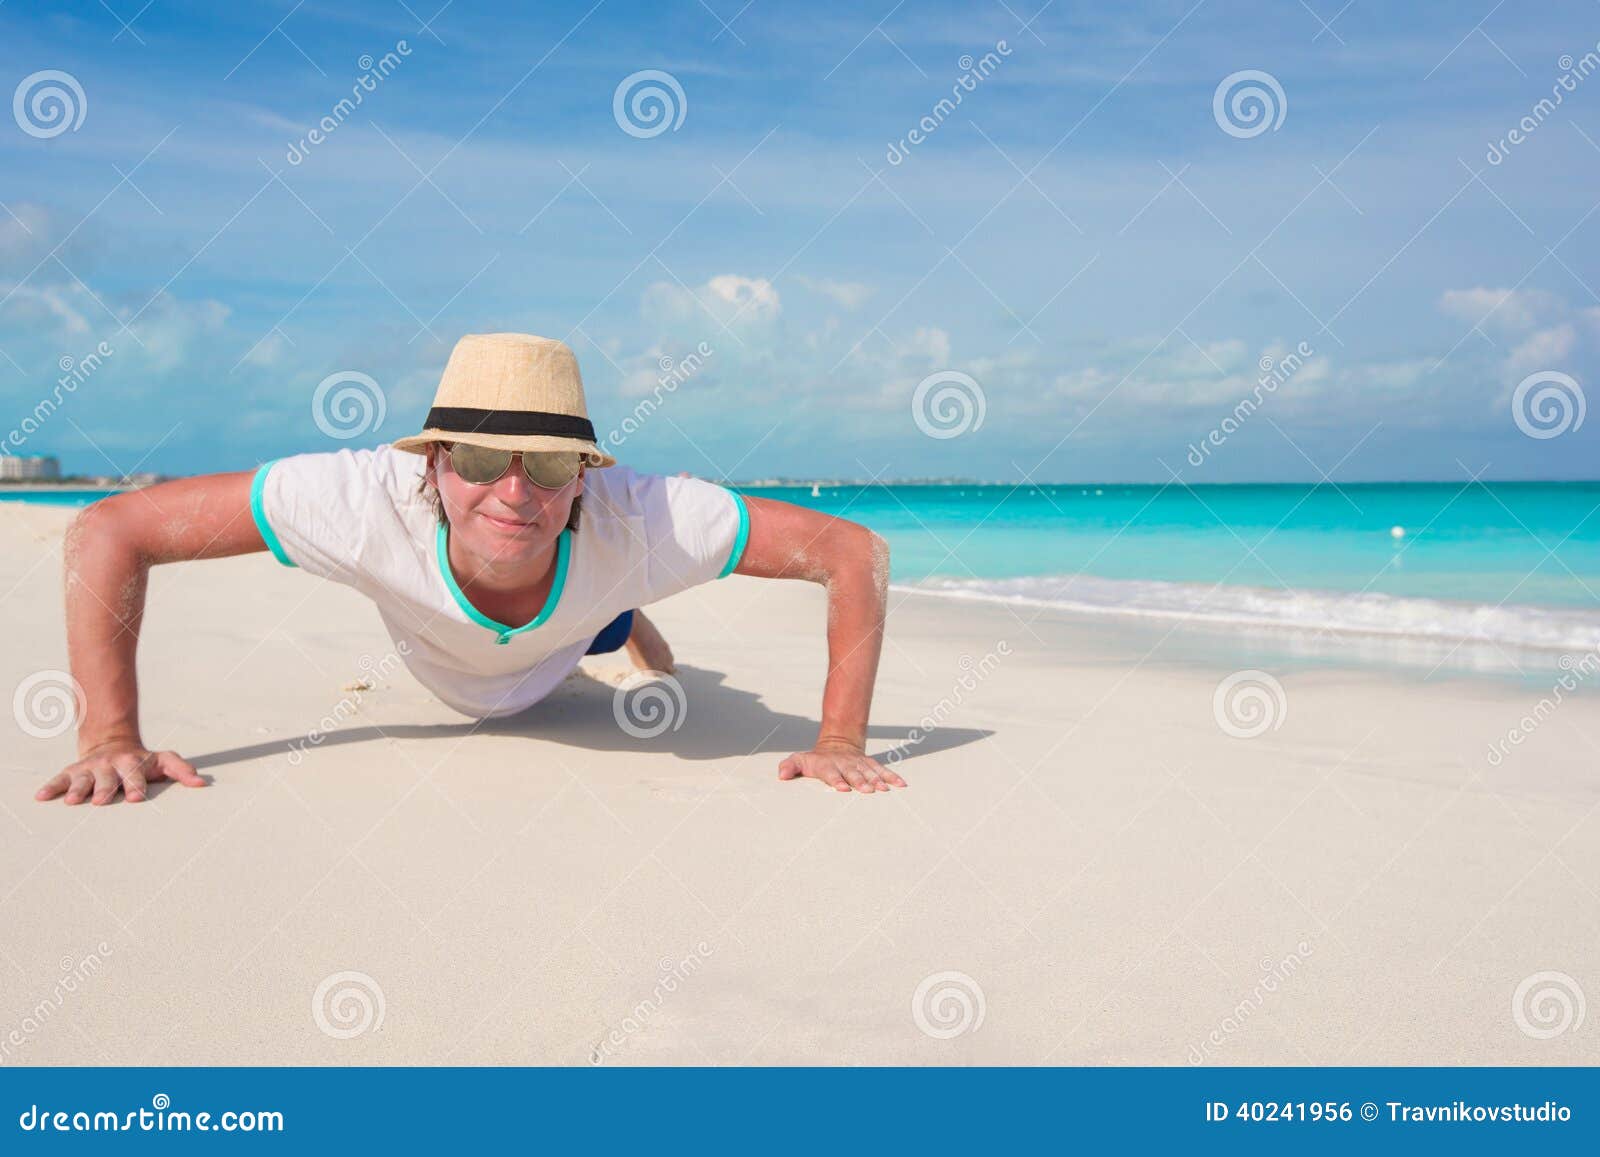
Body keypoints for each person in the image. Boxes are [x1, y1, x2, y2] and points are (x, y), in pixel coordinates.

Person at [35, 333, 904, 806]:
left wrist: (839, 740)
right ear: (433, 461)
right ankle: (619, 613)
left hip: (569, 629)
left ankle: (623, 615)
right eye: (484, 460)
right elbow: (111, 528)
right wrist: (110, 738)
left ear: (588, 479)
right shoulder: (356, 498)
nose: (516, 491)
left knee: (603, 608)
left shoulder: (648, 518)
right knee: (592, 596)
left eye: (553, 466)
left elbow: (852, 550)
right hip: (463, 636)